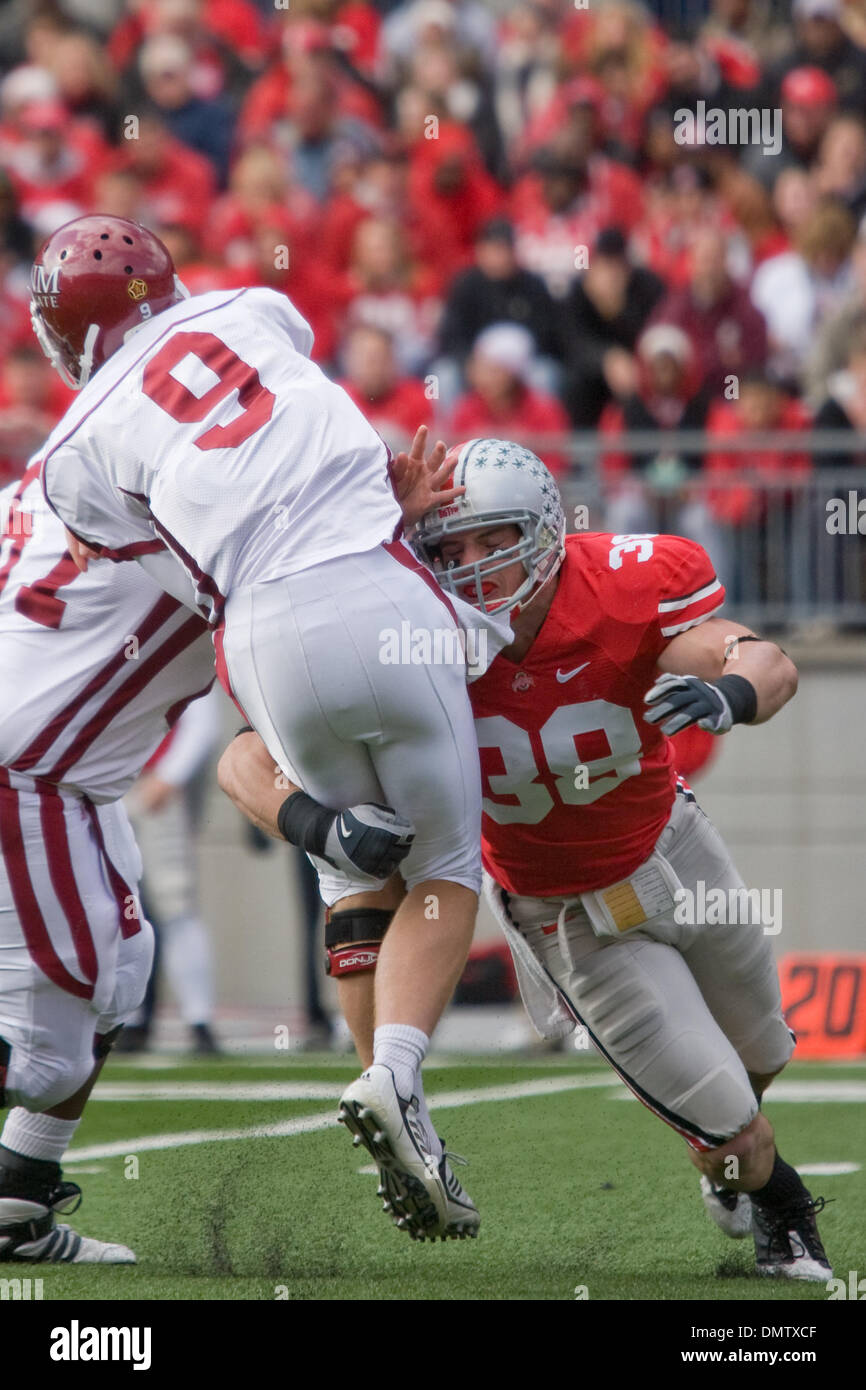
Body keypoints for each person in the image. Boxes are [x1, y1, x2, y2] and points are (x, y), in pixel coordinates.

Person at [221, 436, 833, 1283]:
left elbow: (759, 656)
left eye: (493, 541)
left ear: (543, 532)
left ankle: (727, 1157)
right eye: (449, 549)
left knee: (764, 1049)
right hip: (567, 916)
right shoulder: (405, 629)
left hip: (673, 850)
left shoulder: (621, 586)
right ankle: (781, 1207)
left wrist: (732, 691)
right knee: (735, 1130)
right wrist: (312, 823)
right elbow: (244, 753)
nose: (471, 568)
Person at [31, 213, 508, 1244]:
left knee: (349, 880)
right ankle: (395, 1078)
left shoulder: (71, 452)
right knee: (446, 868)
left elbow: (180, 563)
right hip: (373, 584)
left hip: (257, 630)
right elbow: (288, 429)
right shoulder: (253, 307)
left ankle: (388, 1095)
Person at [0, 461, 213, 1262]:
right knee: (47, 1058)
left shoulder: (40, 490)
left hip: (72, 775)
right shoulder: (183, 516)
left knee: (127, 969)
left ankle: (17, 1205)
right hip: (27, 767)